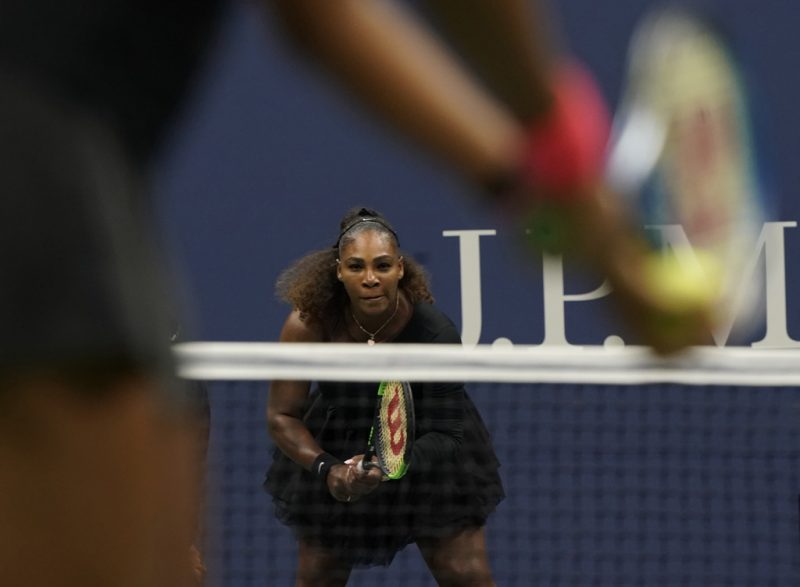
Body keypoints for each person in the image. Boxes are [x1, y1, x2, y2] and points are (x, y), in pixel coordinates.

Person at [0, 1, 707, 585]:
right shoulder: (304, 331)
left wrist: (525, 179)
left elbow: (324, 16)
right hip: (38, 181)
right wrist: (559, 154)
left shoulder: (424, 333)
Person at [265, 207, 504, 586]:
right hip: (339, 442)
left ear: (400, 269)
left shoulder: (433, 332)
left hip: (425, 445)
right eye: (356, 267)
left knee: (467, 575)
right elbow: (282, 416)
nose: (370, 278)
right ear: (339, 271)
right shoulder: (309, 324)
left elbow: (447, 433)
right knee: (317, 578)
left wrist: (390, 464)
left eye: (382, 265)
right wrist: (330, 469)